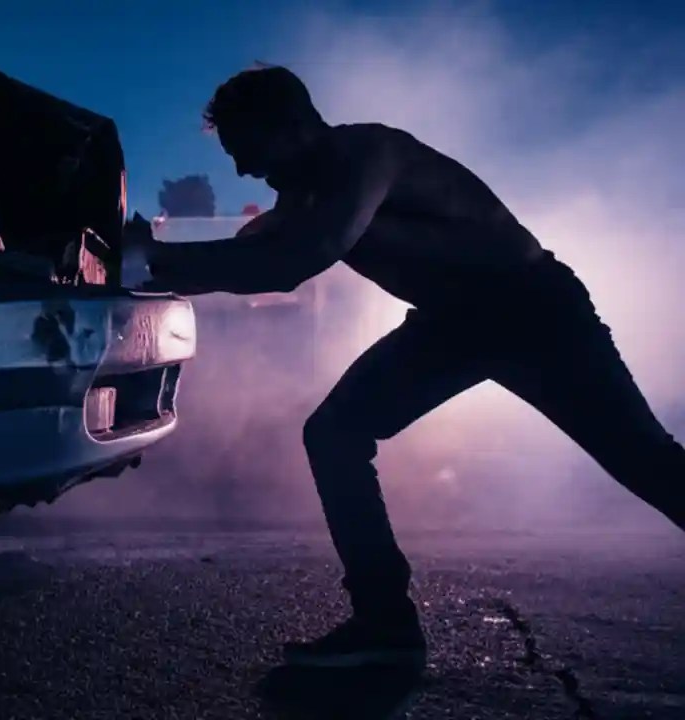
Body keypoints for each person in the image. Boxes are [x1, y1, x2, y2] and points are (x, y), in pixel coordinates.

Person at [123, 65, 685, 668]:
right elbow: (245, 254)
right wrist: (142, 264)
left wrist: (157, 258)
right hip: (452, 324)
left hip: (534, 309)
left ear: (290, 124)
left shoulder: (371, 153)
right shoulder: (303, 196)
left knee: (642, 459)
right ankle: (385, 621)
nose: (243, 170)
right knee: (334, 433)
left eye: (248, 149)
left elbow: (292, 261)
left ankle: (384, 621)